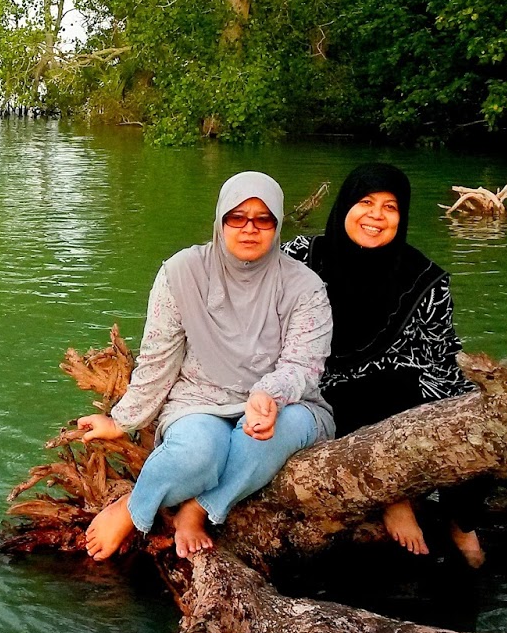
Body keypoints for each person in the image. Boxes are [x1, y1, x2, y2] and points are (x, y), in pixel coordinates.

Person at [77, 171, 334, 560]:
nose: (250, 229)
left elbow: (303, 364)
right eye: (238, 217)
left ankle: (190, 511)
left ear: (278, 224)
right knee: (196, 454)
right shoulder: (181, 273)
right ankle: (136, 505)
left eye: (263, 219)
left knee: (264, 439)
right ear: (220, 220)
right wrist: (121, 420)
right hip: (199, 397)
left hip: (285, 404)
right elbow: (158, 358)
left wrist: (269, 394)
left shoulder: (306, 286)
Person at [282, 162, 485, 568]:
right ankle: (394, 498)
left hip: (405, 392)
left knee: (470, 414)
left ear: (402, 216)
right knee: (374, 392)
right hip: (316, 388)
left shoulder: (426, 280)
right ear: (344, 207)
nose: (376, 215)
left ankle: (461, 521)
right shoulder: (300, 258)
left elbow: (440, 357)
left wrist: (459, 415)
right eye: (366, 202)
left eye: (390, 207)